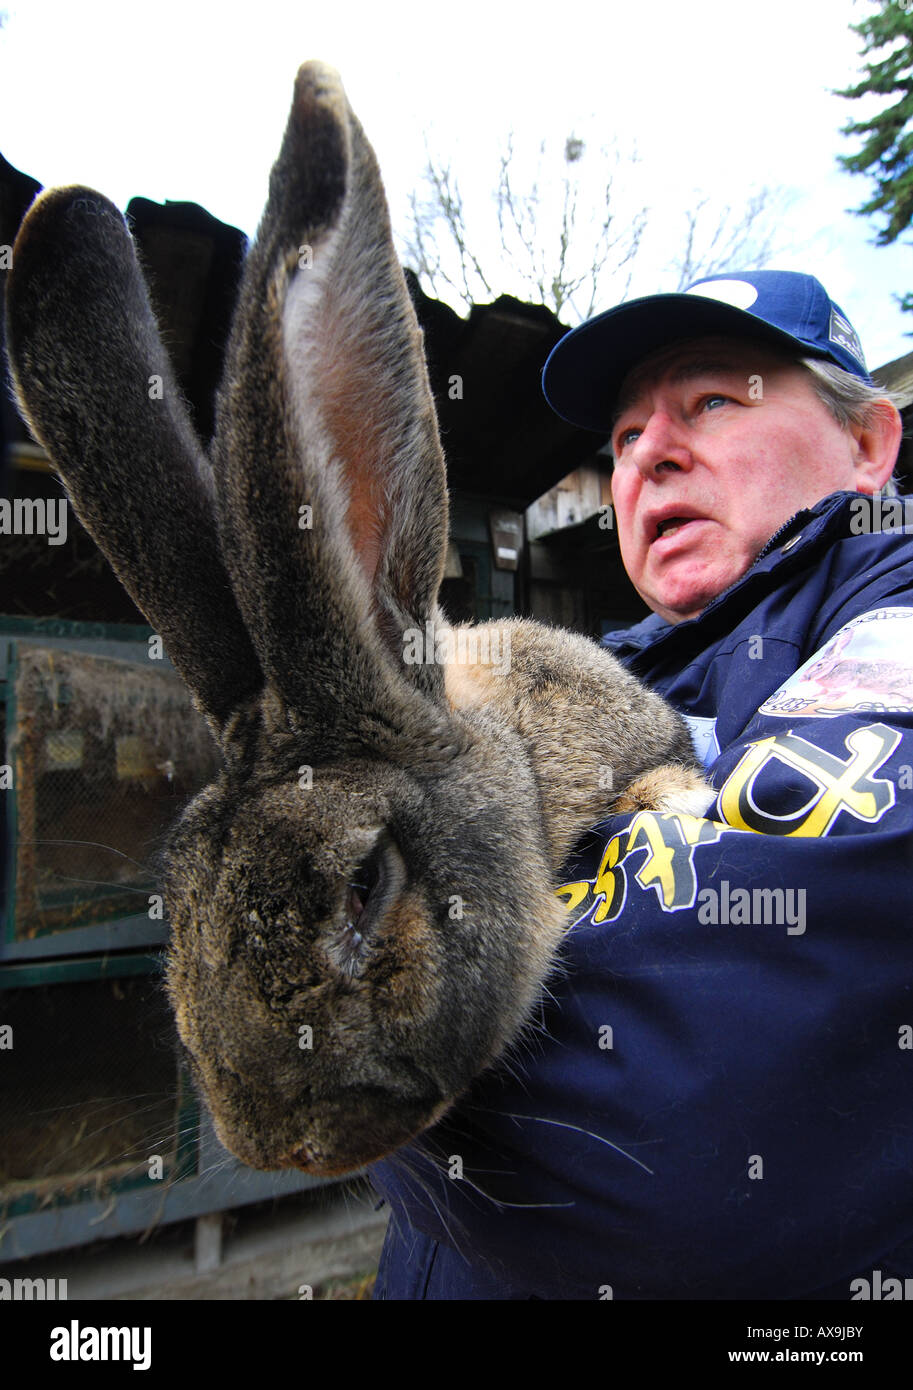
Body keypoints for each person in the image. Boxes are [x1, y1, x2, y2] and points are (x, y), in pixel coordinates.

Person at [368, 270, 913, 1300]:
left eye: (711, 399)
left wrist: (374, 1027)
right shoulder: (587, 672)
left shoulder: (892, 627)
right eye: (620, 440)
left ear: (867, 445)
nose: (647, 454)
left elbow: (681, 1128)